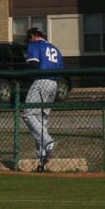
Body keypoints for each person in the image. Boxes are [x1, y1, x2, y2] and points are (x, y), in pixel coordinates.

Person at [22, 25, 64, 169]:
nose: (28, 41)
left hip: (41, 81)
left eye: (29, 38)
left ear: (33, 36)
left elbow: (33, 64)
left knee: (28, 114)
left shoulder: (35, 45)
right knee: (41, 120)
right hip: (54, 84)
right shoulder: (55, 48)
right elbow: (61, 69)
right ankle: (42, 160)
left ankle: (48, 142)